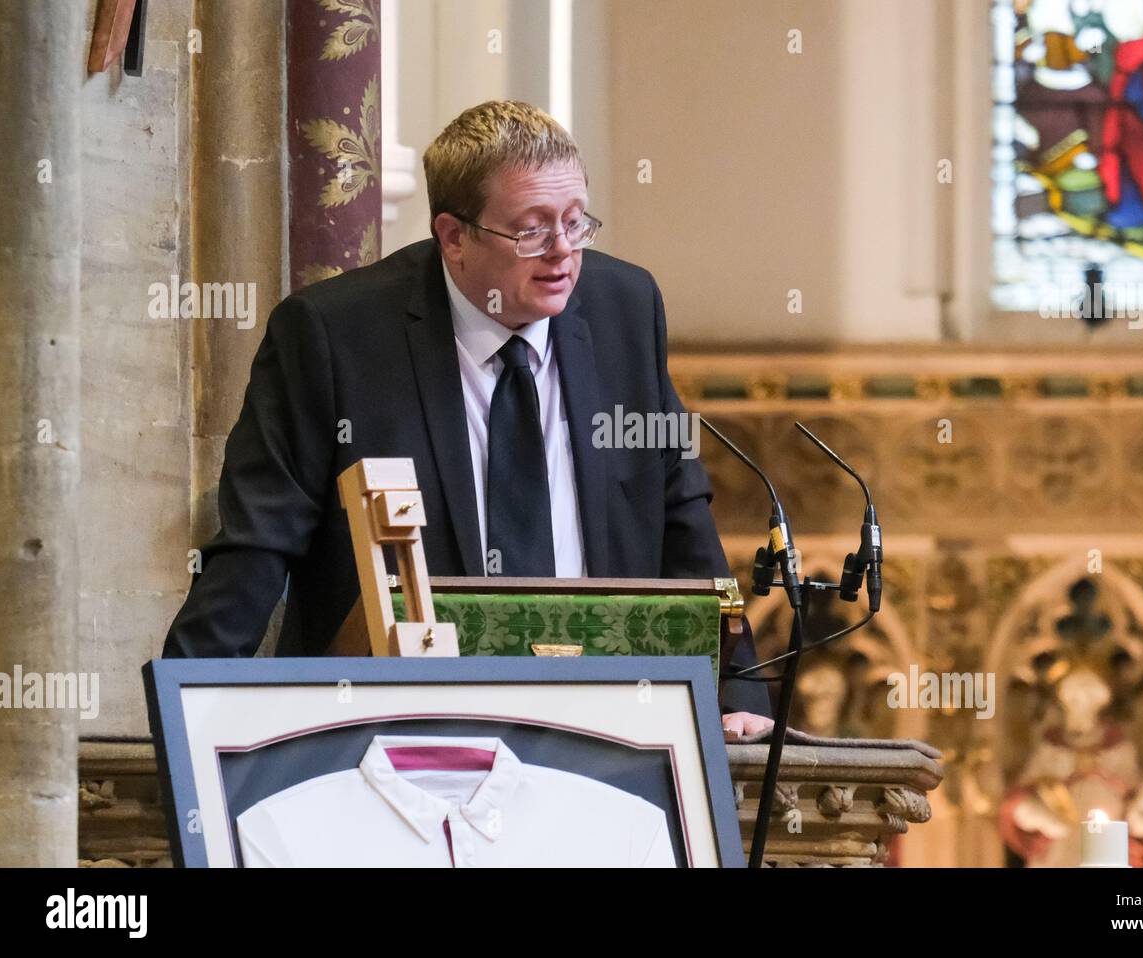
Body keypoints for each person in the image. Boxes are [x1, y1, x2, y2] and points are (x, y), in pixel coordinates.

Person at [163, 99, 773, 738]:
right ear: (454, 236)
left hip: (607, 717)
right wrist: (184, 721)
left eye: (575, 221)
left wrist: (739, 689)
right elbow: (259, 542)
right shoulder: (335, 336)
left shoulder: (625, 306)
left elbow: (679, 507)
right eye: (532, 230)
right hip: (398, 726)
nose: (563, 252)